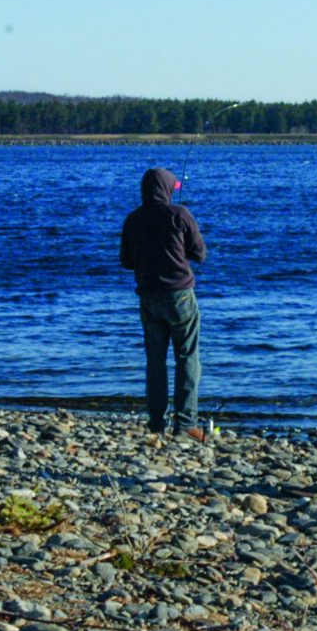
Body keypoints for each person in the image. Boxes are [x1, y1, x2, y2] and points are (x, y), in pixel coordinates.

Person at [120, 167, 208, 437]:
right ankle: (186, 423)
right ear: (167, 189)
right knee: (187, 357)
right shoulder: (179, 214)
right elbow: (200, 254)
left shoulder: (133, 219)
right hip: (179, 296)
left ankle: (157, 423)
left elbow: (126, 261)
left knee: (155, 361)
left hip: (148, 297)